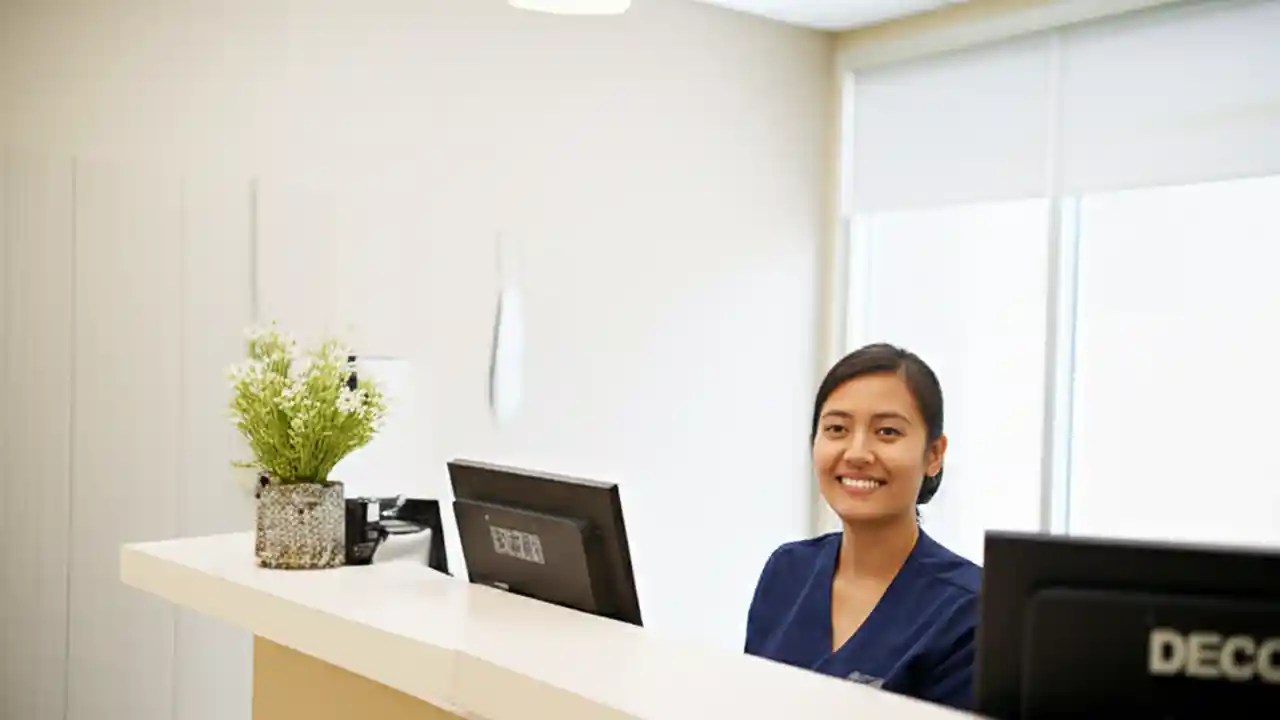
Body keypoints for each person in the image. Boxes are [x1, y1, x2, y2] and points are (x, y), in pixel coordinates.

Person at [744, 343, 981, 710]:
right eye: (837, 428)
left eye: (887, 432)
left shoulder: (970, 609)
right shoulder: (787, 571)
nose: (856, 453)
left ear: (933, 455)